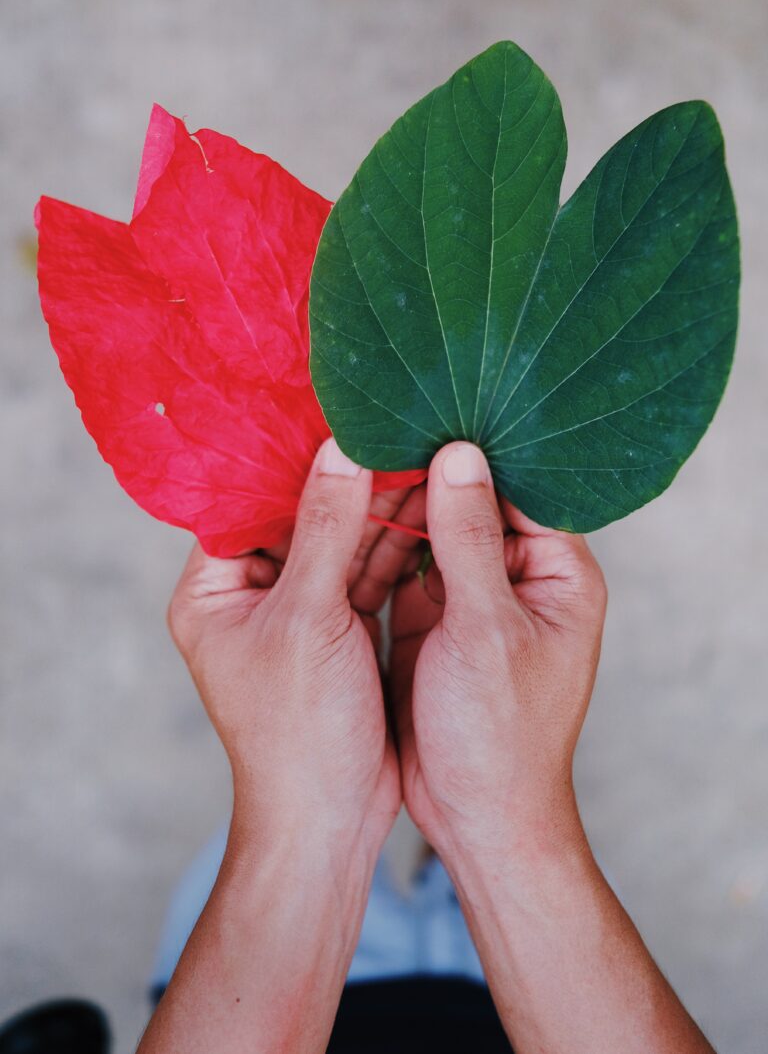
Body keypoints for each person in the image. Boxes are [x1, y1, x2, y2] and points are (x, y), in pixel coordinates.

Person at [137, 438, 717, 1054]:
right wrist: (499, 824)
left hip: (277, 971)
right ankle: (453, 852)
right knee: (497, 857)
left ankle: (434, 849)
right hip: (525, 983)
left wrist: (312, 821)